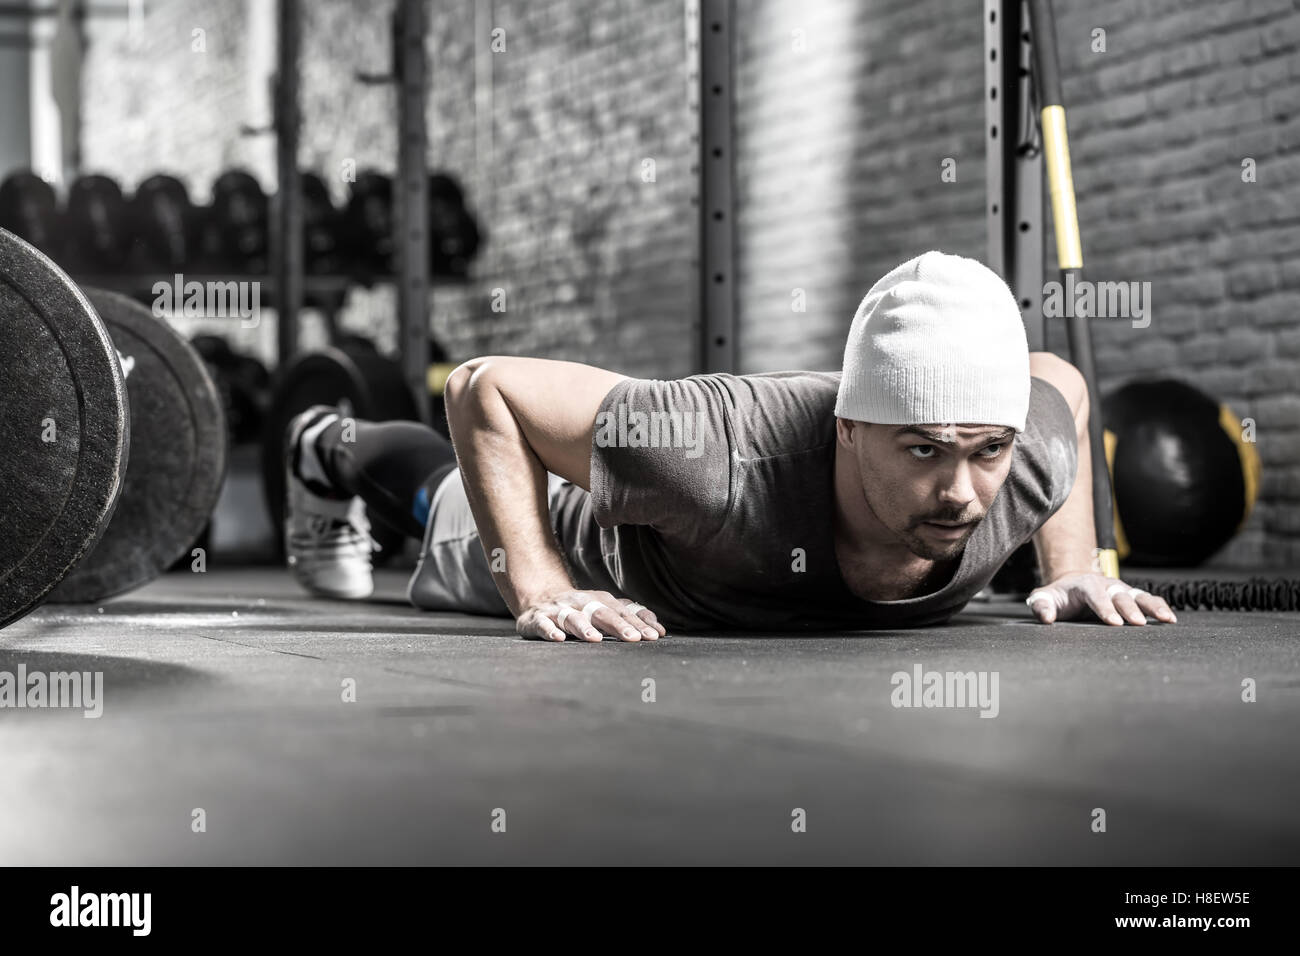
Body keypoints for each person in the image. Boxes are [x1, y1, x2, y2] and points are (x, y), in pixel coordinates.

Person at [281, 250, 1176, 641]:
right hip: (584, 537)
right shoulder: (708, 456)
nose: (960, 493)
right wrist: (544, 586)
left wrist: (1074, 566)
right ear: (847, 426)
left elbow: (1060, 378)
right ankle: (324, 445)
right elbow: (482, 386)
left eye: (984, 451)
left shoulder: (1022, 454)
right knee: (438, 495)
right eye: (922, 451)